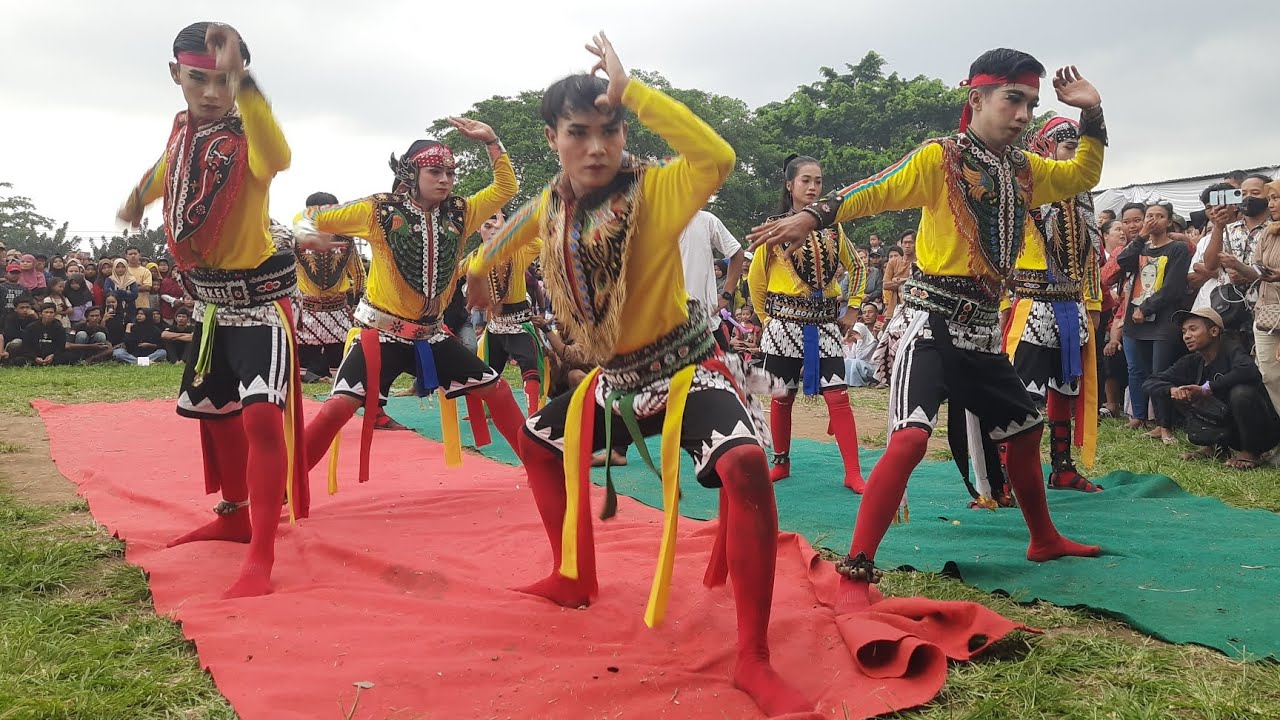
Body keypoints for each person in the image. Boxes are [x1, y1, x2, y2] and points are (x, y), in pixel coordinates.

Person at [465, 34, 809, 716]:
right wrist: (478, 280)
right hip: (613, 383)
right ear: (553, 138)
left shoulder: (658, 191)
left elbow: (718, 156)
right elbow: (491, 256)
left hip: (687, 369)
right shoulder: (549, 208)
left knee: (743, 468)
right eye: (580, 133)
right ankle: (573, 575)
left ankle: (754, 656)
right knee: (537, 445)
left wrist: (636, 91)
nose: (597, 147)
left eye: (610, 130)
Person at [748, 50, 1105, 612]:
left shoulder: (1025, 171)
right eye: (1012, 99)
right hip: (929, 324)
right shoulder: (939, 159)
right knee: (911, 437)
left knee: (1026, 431)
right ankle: (857, 569)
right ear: (977, 99)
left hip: (984, 330)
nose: (1022, 114)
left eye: (1031, 104)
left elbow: (1084, 173)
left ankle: (1043, 539)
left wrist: (1093, 114)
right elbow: (876, 187)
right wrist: (816, 215)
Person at [117, 21, 314, 599]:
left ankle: (262, 553)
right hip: (209, 305)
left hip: (260, 304)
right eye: (198, 78)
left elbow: (280, 154)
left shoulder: (249, 138)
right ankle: (233, 514)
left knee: (258, 417)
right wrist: (137, 197)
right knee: (216, 412)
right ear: (175, 74)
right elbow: (165, 169)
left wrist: (246, 84)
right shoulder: (182, 131)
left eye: (224, 80)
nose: (210, 92)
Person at [295, 116, 524, 484]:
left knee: (496, 388)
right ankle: (284, 486)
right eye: (435, 171)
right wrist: (308, 234)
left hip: (431, 336)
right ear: (411, 174)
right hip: (380, 335)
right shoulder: (379, 210)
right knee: (340, 405)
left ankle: (539, 469)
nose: (445, 180)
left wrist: (492, 140)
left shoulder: (461, 213)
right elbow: (312, 217)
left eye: (450, 172)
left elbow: (506, 186)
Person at [747, 154, 867, 489]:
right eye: (806, 181)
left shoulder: (834, 227)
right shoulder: (775, 228)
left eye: (818, 181)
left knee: (838, 397)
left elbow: (857, 267)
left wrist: (853, 308)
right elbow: (756, 280)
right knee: (781, 396)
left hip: (825, 325)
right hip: (783, 325)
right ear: (790, 185)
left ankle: (853, 472)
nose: (813, 187)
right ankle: (781, 462)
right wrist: (767, 320)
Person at [999, 117, 1104, 494]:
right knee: (1023, 392)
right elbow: (1000, 248)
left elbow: (1092, 257)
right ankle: (1005, 475)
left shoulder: (1084, 197)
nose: (1073, 156)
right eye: (1068, 147)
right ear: (1046, 148)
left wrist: (1092, 301)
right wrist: (1000, 303)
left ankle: (1062, 468)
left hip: (1070, 306)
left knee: (1066, 389)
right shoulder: (1025, 190)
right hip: (1031, 306)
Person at [1145, 308, 1280, 469]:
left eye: (1193, 329)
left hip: (1261, 432)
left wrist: (1207, 388)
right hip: (1229, 429)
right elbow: (1151, 381)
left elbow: (1249, 370)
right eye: (1184, 331)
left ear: (1214, 331)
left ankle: (1250, 452)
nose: (1187, 335)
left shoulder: (1231, 348)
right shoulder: (1192, 361)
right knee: (1183, 392)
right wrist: (1173, 390)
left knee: (1241, 393)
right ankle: (1214, 447)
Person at [1115, 201, 1191, 443]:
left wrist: (1146, 307)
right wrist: (1141, 236)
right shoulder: (1140, 247)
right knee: (1135, 370)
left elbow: (1174, 287)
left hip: (1162, 320)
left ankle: (1163, 424)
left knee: (1160, 372)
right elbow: (1122, 262)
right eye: (1149, 215)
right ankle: (1138, 416)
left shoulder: (1177, 248)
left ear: (1169, 221)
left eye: (1159, 216)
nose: (1153, 220)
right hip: (1133, 320)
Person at [473, 210, 550, 416]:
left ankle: (533, 415)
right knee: (490, 370)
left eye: (496, 227)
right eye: (487, 226)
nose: (492, 231)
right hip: (495, 324)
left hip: (519, 323)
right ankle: (488, 410)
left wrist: (508, 231)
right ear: (478, 230)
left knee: (530, 364)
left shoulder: (518, 250)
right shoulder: (477, 257)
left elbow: (538, 243)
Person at [294, 192, 366, 383]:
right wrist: (356, 302)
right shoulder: (346, 239)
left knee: (313, 354)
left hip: (316, 309)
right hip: (327, 309)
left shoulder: (296, 239)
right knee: (337, 353)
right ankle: (320, 373)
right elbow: (358, 274)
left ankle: (317, 373)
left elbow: (359, 274)